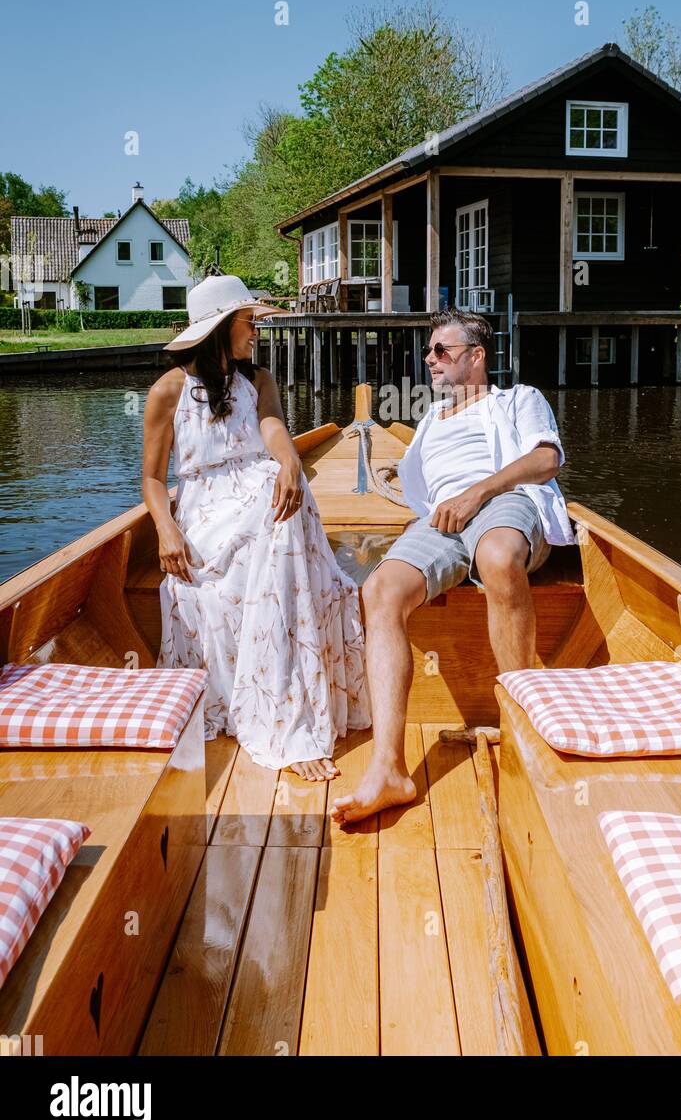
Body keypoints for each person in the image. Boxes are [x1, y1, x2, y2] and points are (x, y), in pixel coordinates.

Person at [331, 308, 571, 824]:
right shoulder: (429, 423)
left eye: (443, 350)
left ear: (477, 357)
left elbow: (547, 459)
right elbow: (424, 496)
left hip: (505, 501)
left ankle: (522, 731)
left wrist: (476, 491)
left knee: (498, 555)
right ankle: (389, 769)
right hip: (442, 521)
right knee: (380, 590)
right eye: (429, 351)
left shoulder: (516, 399)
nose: (430, 359)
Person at [142, 274, 370, 780]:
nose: (256, 333)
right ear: (221, 327)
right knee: (278, 518)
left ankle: (289, 708)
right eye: (249, 323)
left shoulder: (259, 380)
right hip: (206, 510)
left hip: (259, 501)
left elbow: (272, 429)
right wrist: (165, 529)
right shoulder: (168, 391)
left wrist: (290, 462)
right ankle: (285, 713)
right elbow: (153, 481)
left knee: (280, 494)